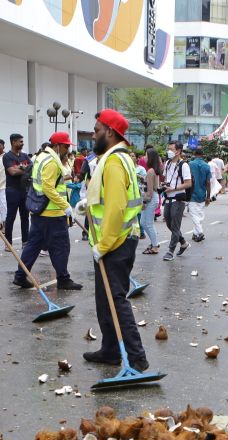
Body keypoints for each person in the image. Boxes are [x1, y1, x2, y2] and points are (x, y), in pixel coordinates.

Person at [78, 109, 149, 372]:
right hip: (118, 239)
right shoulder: (117, 158)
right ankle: (109, 350)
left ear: (109, 132)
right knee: (104, 300)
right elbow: (111, 199)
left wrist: (103, 245)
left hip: (116, 242)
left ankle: (137, 358)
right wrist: (88, 204)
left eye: (97, 130)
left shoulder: (115, 162)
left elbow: (117, 208)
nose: (93, 135)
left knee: (116, 300)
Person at [13, 131, 80, 290]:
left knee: (33, 245)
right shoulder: (51, 161)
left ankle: (21, 276)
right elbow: (48, 188)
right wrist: (65, 206)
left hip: (40, 210)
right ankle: (63, 279)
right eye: (65, 146)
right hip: (52, 212)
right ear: (57, 146)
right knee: (61, 246)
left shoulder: (41, 157)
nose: (67, 150)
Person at [160, 141, 191, 261]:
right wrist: (164, 185)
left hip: (178, 198)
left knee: (175, 225)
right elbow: (167, 178)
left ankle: (170, 251)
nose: (169, 151)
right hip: (168, 198)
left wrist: (173, 188)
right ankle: (183, 242)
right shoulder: (167, 163)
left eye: (171, 149)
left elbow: (188, 183)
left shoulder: (184, 165)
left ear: (178, 151)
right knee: (169, 223)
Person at [2, 133, 31, 245]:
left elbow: (31, 167)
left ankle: (25, 241)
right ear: (13, 142)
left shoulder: (24, 156)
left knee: (25, 217)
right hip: (12, 190)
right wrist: (25, 169)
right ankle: (8, 243)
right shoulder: (7, 156)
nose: (22, 144)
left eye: (22, 141)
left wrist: (20, 168)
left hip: (24, 190)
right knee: (11, 217)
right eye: (20, 141)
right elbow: (12, 172)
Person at [139, 147, 162, 254]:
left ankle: (155, 245)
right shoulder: (154, 170)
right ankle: (154, 243)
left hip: (150, 199)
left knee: (148, 223)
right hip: (154, 198)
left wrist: (144, 202)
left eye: (146, 156)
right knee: (144, 222)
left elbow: (150, 191)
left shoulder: (150, 171)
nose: (144, 158)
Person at [187, 147, 211, 243]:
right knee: (199, 215)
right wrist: (208, 196)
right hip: (202, 193)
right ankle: (195, 233)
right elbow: (208, 182)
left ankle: (200, 232)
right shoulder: (206, 166)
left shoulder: (190, 164)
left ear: (194, 154)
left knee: (193, 214)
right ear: (203, 155)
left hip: (191, 193)